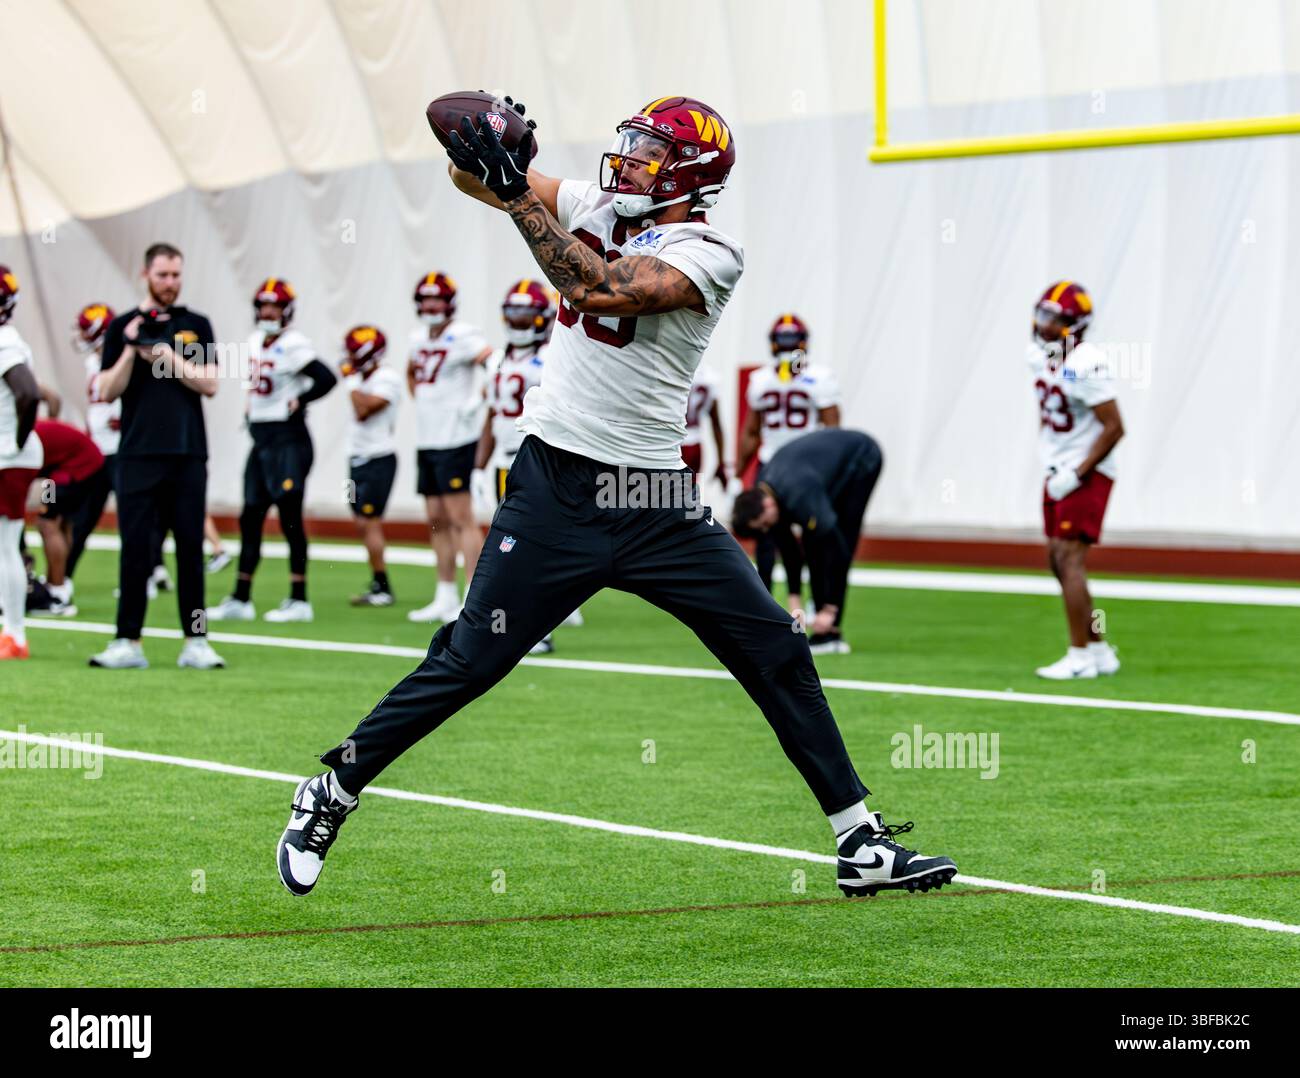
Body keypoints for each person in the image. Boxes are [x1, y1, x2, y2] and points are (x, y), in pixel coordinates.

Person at [277, 94, 955, 902]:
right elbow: (470, 176)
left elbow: (596, 287)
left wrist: (516, 191)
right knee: (470, 660)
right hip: (557, 483)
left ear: (689, 172)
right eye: (628, 143)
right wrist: (493, 152)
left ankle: (860, 843)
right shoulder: (598, 202)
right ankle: (334, 790)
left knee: (775, 645)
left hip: (654, 498)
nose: (625, 158)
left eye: (646, 150)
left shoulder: (709, 250)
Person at [89, 242, 224, 670]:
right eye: (163, 275)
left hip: (187, 454)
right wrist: (133, 348)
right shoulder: (122, 326)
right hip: (136, 456)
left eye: (176, 275)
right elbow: (106, 391)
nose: (170, 283)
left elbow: (210, 384)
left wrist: (170, 356)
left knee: (189, 548)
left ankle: (196, 642)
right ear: (145, 274)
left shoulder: (195, 325)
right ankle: (127, 640)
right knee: (135, 549)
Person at [208, 278, 336, 624]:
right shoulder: (254, 342)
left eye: (274, 307)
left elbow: (326, 378)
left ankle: (299, 598)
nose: (267, 312)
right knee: (250, 516)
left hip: (289, 441)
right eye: (263, 306)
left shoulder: (294, 344)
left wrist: (300, 399)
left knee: (289, 518)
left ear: (286, 310)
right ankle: (241, 597)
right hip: (262, 441)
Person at [473, 278, 579, 654]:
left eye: (524, 314)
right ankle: (510, 620)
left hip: (539, 464)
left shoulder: (553, 357)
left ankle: (540, 626)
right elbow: (491, 415)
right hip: (505, 464)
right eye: (512, 313)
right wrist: (477, 468)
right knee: (510, 545)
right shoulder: (498, 360)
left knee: (532, 545)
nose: (516, 321)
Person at [1028, 281, 1124, 680]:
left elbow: (1115, 427)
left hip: (1084, 472)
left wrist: (1076, 473)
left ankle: (1080, 655)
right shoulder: (1039, 357)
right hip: (1058, 468)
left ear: (1075, 325)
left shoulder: (1086, 362)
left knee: (1069, 560)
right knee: (1058, 560)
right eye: (1043, 314)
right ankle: (1099, 646)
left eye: (1055, 319)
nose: (1044, 325)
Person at [732, 429, 883, 656]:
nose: (766, 529)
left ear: (767, 507)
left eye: (764, 524)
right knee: (815, 539)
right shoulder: (767, 492)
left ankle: (830, 629)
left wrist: (830, 609)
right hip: (820, 469)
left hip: (862, 456)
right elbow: (790, 552)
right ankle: (822, 620)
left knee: (836, 537)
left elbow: (837, 547)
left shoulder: (797, 494)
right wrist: (796, 606)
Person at [406, 271, 494, 624]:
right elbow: (412, 373)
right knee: (435, 520)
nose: (430, 305)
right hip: (428, 438)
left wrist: (478, 397)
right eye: (425, 299)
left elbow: (496, 365)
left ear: (449, 303)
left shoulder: (463, 336)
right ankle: (444, 593)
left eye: (436, 299)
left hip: (456, 438)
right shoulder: (416, 338)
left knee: (461, 519)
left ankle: (471, 594)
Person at [738, 315, 840, 610]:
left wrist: (738, 472)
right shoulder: (819, 377)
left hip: (773, 467)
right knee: (787, 535)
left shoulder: (761, 379)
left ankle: (770, 601)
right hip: (803, 469)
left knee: (774, 536)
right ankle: (783, 601)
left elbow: (752, 433)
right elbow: (833, 431)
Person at [339, 325, 401, 606]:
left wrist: (351, 382)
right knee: (360, 522)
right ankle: (377, 580)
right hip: (355, 458)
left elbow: (363, 410)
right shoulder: (364, 377)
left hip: (378, 459)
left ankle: (383, 585)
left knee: (369, 520)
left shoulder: (386, 377)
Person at [0, 265, 42, 660]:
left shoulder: (4, 341)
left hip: (8, 457)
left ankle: (14, 634)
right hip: (10, 454)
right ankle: (12, 630)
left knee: (5, 547)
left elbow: (28, 393)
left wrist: (15, 439)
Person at [32, 418, 106, 617]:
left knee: (46, 523)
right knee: (61, 523)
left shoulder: (20, 435)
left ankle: (57, 594)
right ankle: (58, 586)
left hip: (74, 468)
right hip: (73, 466)